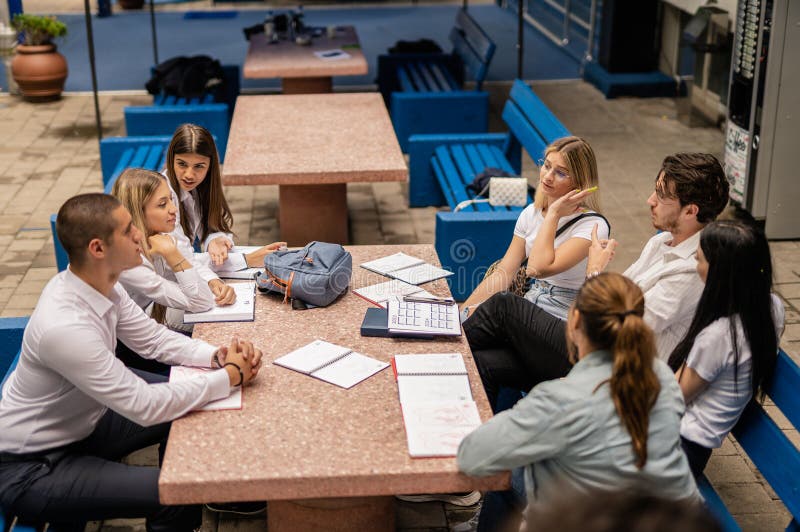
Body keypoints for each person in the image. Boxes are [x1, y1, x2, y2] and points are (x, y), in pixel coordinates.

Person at [0, 193, 262, 531]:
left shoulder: (102, 282)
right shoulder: (65, 328)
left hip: (85, 424)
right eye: (127, 231)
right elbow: (144, 405)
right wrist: (229, 377)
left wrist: (216, 357)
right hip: (33, 467)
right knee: (177, 490)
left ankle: (203, 481)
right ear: (98, 248)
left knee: (194, 408)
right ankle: (192, 489)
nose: (139, 234)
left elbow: (151, 339)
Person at [465, 153, 730, 410]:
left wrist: (594, 272)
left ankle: (438, 349)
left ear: (690, 211)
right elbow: (617, 298)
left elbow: (618, 328)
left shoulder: (692, 270)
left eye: (661, 197)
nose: (650, 200)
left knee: (505, 307)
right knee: (484, 362)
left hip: (611, 369)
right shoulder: (661, 242)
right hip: (590, 350)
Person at [457, 273, 698, 532]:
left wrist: (525, 418)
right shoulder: (662, 375)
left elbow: (471, 457)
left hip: (593, 518)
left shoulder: (560, 398)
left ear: (574, 321)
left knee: (515, 468)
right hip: (675, 517)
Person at [668, 220, 785, 477]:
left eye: (699, 259)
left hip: (677, 450)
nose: (694, 264)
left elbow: (673, 399)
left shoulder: (718, 337)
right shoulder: (772, 308)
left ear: (719, 273)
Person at [461, 136, 607, 321]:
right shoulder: (531, 213)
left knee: (497, 312)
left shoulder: (592, 226)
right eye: (546, 166)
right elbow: (505, 272)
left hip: (564, 312)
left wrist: (554, 214)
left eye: (561, 173)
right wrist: (462, 313)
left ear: (579, 183)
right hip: (531, 300)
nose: (547, 176)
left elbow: (537, 269)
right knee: (472, 322)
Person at [163, 123, 285, 273]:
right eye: (182, 164)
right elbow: (179, 261)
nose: (189, 174)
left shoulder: (201, 187)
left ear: (210, 166)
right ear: (171, 159)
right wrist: (248, 259)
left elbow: (211, 226)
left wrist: (215, 240)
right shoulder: (163, 199)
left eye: (199, 166)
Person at [113, 168, 216, 329]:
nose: (174, 209)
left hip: (132, 330)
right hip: (112, 344)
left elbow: (191, 266)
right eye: (162, 204)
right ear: (137, 212)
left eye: (171, 199)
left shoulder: (157, 239)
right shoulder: (130, 262)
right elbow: (201, 301)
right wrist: (172, 254)